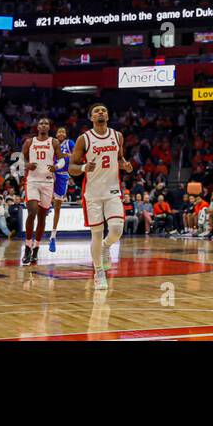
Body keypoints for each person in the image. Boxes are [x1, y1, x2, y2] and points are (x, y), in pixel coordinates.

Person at [68, 104, 133, 290]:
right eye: (97, 111)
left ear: (108, 115)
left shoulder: (117, 136)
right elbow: (72, 166)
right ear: (91, 117)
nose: (101, 112)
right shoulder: (84, 139)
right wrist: (82, 168)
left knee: (116, 230)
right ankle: (99, 272)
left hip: (112, 190)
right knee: (96, 233)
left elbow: (119, 159)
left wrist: (125, 165)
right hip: (92, 193)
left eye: (104, 110)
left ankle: (106, 246)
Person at [20, 118, 60, 266]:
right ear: (37, 127)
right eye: (41, 123)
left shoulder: (54, 142)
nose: (43, 125)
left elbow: (62, 160)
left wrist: (57, 166)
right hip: (32, 181)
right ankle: (27, 247)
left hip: (48, 182)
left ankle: (36, 249)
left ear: (49, 127)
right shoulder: (29, 142)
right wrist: (26, 164)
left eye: (46, 124)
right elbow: (20, 159)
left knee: (42, 217)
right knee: (32, 212)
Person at [49, 126, 74, 253]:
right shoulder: (51, 142)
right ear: (56, 133)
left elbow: (76, 155)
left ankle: (53, 236)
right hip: (51, 172)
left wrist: (67, 155)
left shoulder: (69, 143)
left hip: (63, 175)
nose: (61, 133)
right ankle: (47, 202)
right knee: (48, 179)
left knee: (57, 208)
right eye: (59, 131)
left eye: (63, 131)